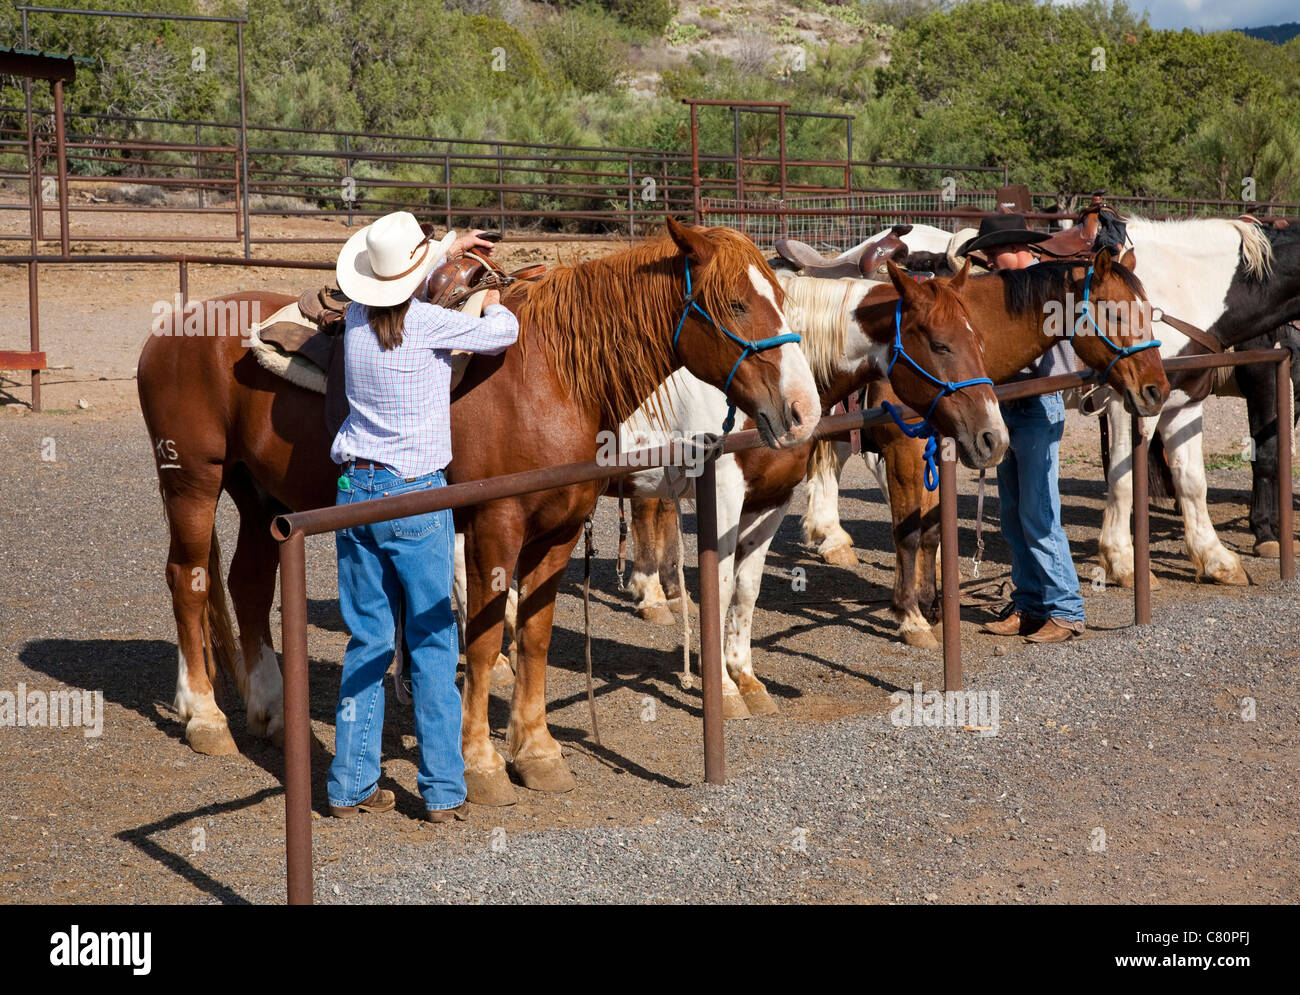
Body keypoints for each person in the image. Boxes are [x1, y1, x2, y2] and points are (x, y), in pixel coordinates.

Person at [326, 211, 519, 822]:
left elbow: (394, 284)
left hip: (355, 493)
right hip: (417, 497)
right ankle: (441, 789)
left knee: (369, 640)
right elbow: (506, 333)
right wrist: (488, 300)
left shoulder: (356, 322)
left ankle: (350, 785)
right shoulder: (432, 322)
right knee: (434, 641)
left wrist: (446, 247)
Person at [959, 213, 1086, 644]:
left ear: (1022, 250)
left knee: (1038, 513)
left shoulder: (1045, 289)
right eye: (989, 256)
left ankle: (1066, 608)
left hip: (1036, 403)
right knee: (1014, 516)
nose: (992, 263)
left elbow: (1060, 357)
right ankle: (1030, 603)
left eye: (997, 254)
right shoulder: (1010, 292)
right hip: (1009, 407)